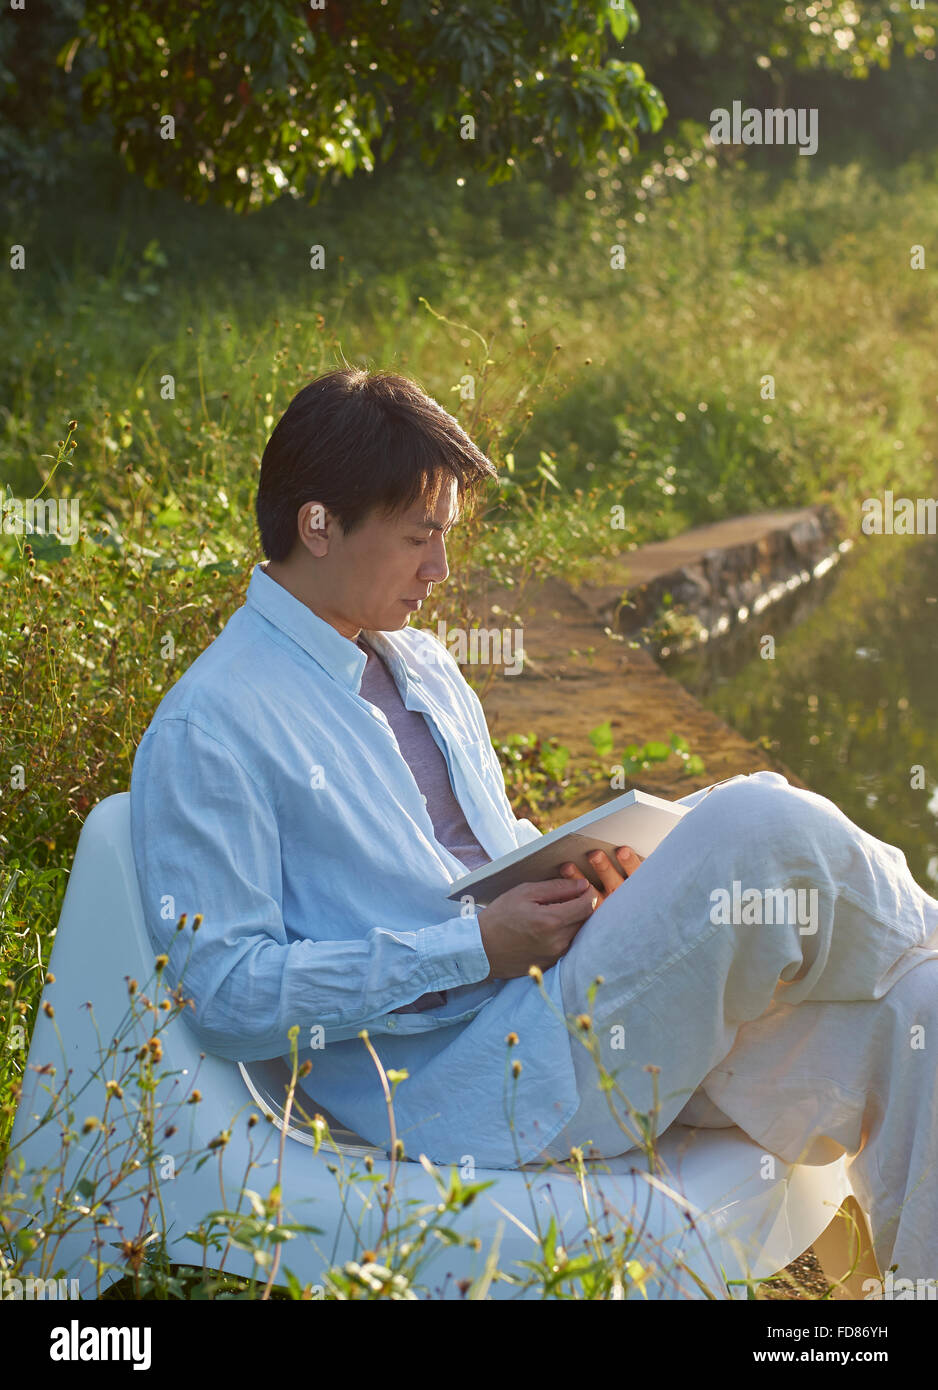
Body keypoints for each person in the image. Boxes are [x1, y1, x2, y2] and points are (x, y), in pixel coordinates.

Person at [130, 367, 938, 1282]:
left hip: (561, 1000)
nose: (439, 570)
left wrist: (583, 873)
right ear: (317, 525)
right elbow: (225, 990)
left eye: (445, 538)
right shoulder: (214, 723)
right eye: (418, 538)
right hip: (464, 1082)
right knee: (756, 819)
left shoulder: (423, 665)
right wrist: (474, 948)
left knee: (920, 1015)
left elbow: (483, 849)